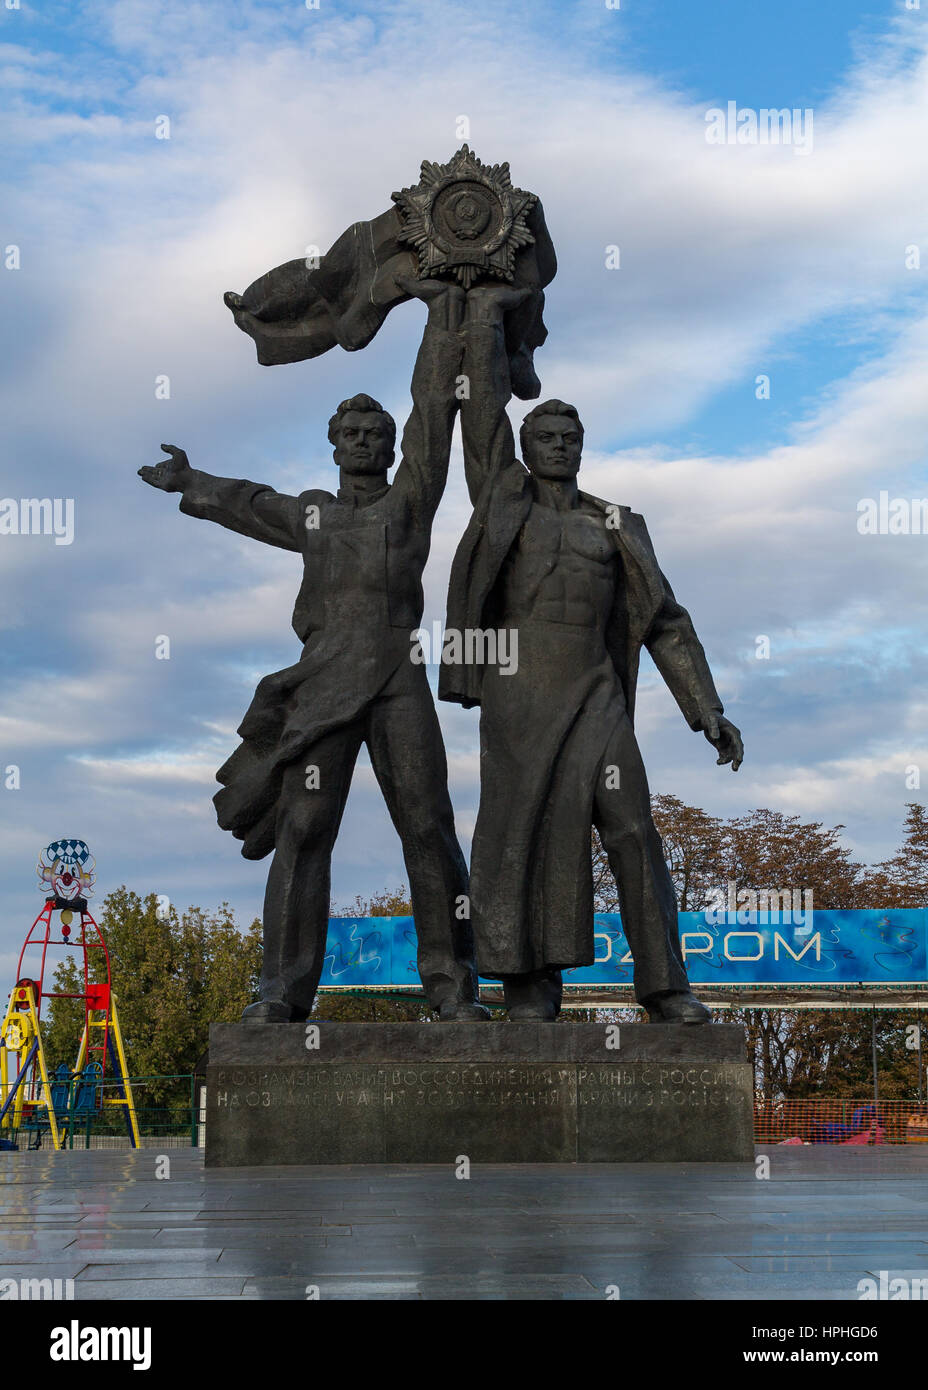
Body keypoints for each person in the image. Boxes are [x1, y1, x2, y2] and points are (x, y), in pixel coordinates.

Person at [139, 282, 487, 1022]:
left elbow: (434, 412)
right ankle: (283, 995)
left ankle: (453, 988)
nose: (364, 442)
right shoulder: (313, 514)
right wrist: (189, 481)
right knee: (304, 829)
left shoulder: (408, 503)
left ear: (391, 448)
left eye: (375, 434)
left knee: (427, 826)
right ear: (334, 446)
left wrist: (442, 317)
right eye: (352, 434)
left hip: (398, 679)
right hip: (326, 682)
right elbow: (248, 501)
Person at [439, 291, 744, 1022]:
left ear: (582, 447)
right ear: (526, 447)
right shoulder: (503, 504)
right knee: (518, 837)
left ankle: (666, 986)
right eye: (546, 436)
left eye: (570, 438)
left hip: (596, 695)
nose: (560, 446)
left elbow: (666, 622)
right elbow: (480, 413)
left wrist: (708, 710)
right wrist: (482, 316)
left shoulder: (616, 524)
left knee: (633, 827)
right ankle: (529, 987)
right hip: (517, 697)